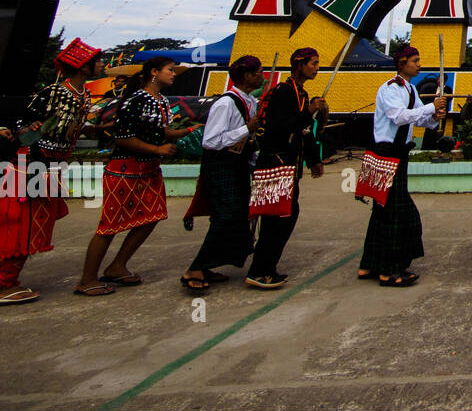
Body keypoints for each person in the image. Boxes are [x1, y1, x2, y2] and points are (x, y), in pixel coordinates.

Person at [0, 38, 106, 305]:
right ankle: (4, 284)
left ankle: (8, 280)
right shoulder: (54, 92)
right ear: (84, 67)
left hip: (51, 167)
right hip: (29, 167)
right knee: (19, 225)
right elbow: (22, 127)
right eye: (97, 61)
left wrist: (90, 129)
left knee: (36, 223)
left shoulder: (83, 95)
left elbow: (66, 129)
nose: (102, 64)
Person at [77, 57, 195, 295]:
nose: (173, 74)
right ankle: (87, 280)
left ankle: (117, 265)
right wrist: (157, 149)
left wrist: (189, 130)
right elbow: (122, 137)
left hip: (148, 169)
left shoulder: (159, 100)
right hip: (125, 169)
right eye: (170, 70)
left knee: (152, 216)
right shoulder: (136, 100)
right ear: (154, 72)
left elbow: (159, 131)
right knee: (109, 226)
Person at [357, 46, 445, 287]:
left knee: (383, 211)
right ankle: (389, 270)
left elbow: (417, 117)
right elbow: (399, 116)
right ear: (402, 63)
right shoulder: (390, 88)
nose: (418, 64)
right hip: (387, 154)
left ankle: (369, 263)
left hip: (398, 154)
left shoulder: (411, 89)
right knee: (399, 214)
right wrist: (430, 106)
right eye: (415, 61)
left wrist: (433, 116)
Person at [245, 47, 328, 289]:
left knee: (286, 215)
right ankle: (261, 269)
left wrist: (313, 158)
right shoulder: (283, 92)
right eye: (312, 63)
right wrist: (309, 112)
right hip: (276, 163)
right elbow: (280, 128)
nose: (316, 68)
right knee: (278, 217)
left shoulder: (299, 93)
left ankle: (265, 266)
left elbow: (303, 130)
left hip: (290, 164)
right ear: (299, 65)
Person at [180, 55, 265, 291]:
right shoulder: (225, 104)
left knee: (233, 216)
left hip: (238, 164)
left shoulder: (250, 102)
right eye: (258, 72)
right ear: (246, 76)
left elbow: (247, 139)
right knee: (227, 215)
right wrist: (245, 129)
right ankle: (195, 268)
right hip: (220, 165)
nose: (262, 76)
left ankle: (209, 264)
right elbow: (212, 140)